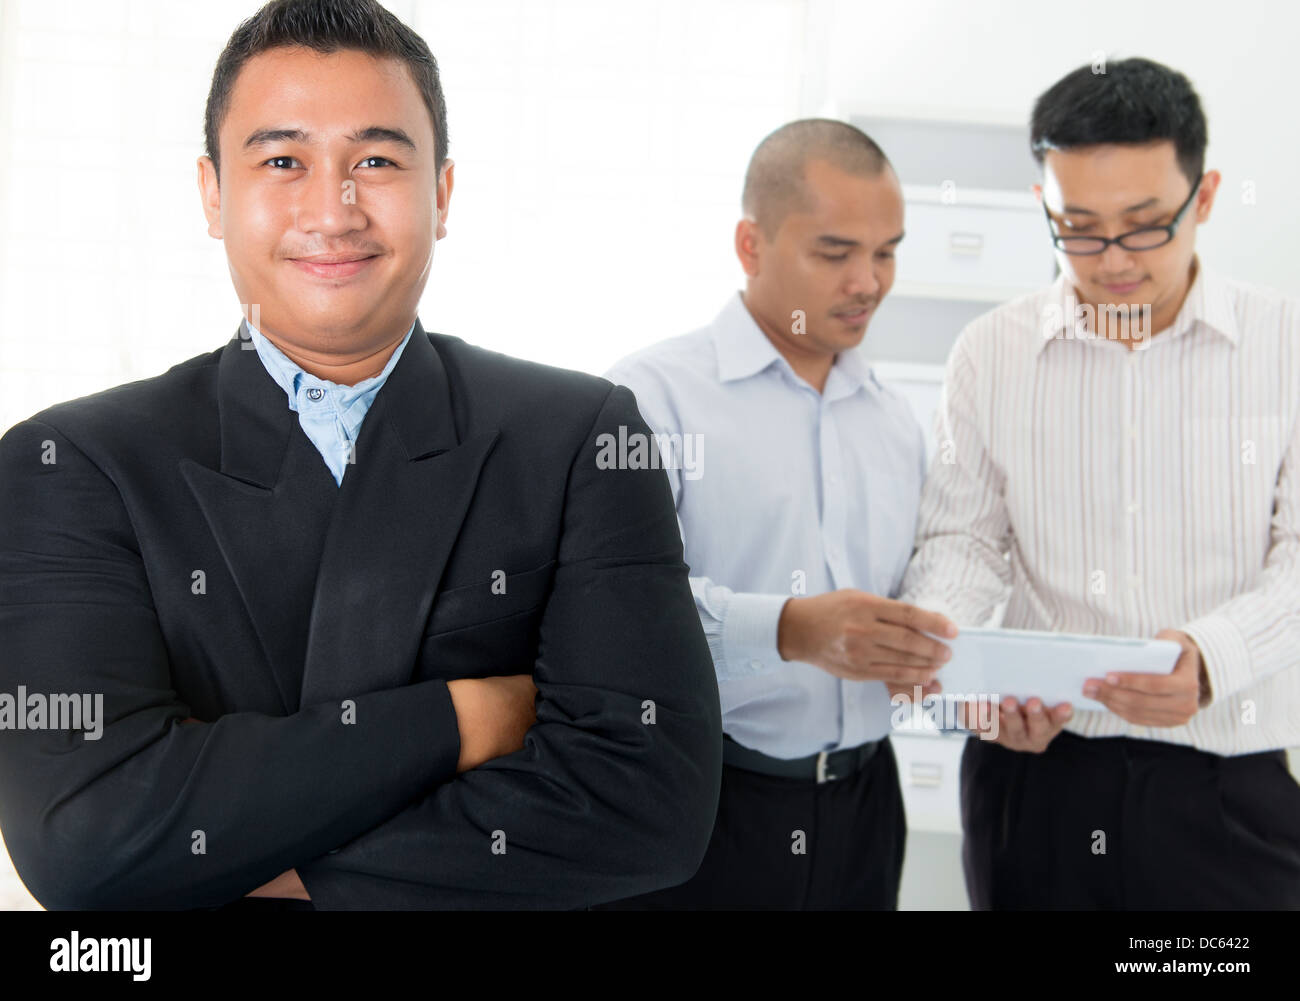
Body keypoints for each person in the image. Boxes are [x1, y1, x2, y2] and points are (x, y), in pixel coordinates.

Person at [0, 0, 721, 910]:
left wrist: (256, 866)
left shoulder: (580, 436)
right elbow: (83, 837)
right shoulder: (74, 462)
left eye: (376, 161)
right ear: (213, 194)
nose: (333, 210)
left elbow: (649, 804)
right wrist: (463, 718)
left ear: (442, 195)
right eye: (282, 161)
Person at [900, 57, 1300, 909]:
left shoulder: (1285, 344)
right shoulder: (991, 352)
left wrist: (1209, 657)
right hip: (1034, 778)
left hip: (1227, 785)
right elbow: (962, 541)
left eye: (1146, 226)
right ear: (1043, 205)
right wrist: (963, 668)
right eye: (1077, 228)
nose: (1112, 259)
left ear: (1206, 195)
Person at [596, 120, 957, 910]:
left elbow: (921, 596)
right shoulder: (650, 397)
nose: (868, 281)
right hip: (706, 803)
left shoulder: (896, 420)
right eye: (835, 252)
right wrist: (791, 628)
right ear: (750, 245)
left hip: (867, 805)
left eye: (886, 252)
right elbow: (614, 614)